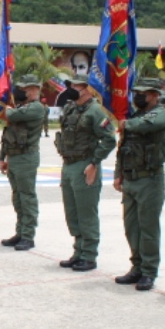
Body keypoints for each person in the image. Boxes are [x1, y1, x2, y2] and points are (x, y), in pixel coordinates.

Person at [112, 77, 165, 291]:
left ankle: (149, 271)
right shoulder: (134, 116)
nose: (138, 97)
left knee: (148, 228)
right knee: (132, 227)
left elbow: (147, 125)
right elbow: (123, 147)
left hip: (149, 179)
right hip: (131, 178)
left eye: (143, 93)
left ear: (155, 95)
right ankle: (136, 266)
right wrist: (119, 173)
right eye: (136, 92)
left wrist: (126, 124)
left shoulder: (161, 113)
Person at [54, 74, 116, 272]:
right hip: (69, 164)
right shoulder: (71, 107)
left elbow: (109, 139)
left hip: (85, 165)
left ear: (89, 90)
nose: (72, 89)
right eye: (71, 85)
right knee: (72, 212)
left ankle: (89, 255)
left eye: (77, 86)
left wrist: (94, 162)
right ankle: (78, 251)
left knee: (86, 212)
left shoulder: (96, 111)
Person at [0, 74, 46, 251]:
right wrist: (3, 156)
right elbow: (8, 133)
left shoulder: (36, 108)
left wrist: (2, 106)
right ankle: (20, 232)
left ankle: (28, 235)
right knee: (18, 197)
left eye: (24, 89)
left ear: (34, 90)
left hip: (26, 158)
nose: (20, 91)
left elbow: (10, 114)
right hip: (14, 156)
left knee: (27, 197)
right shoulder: (20, 107)